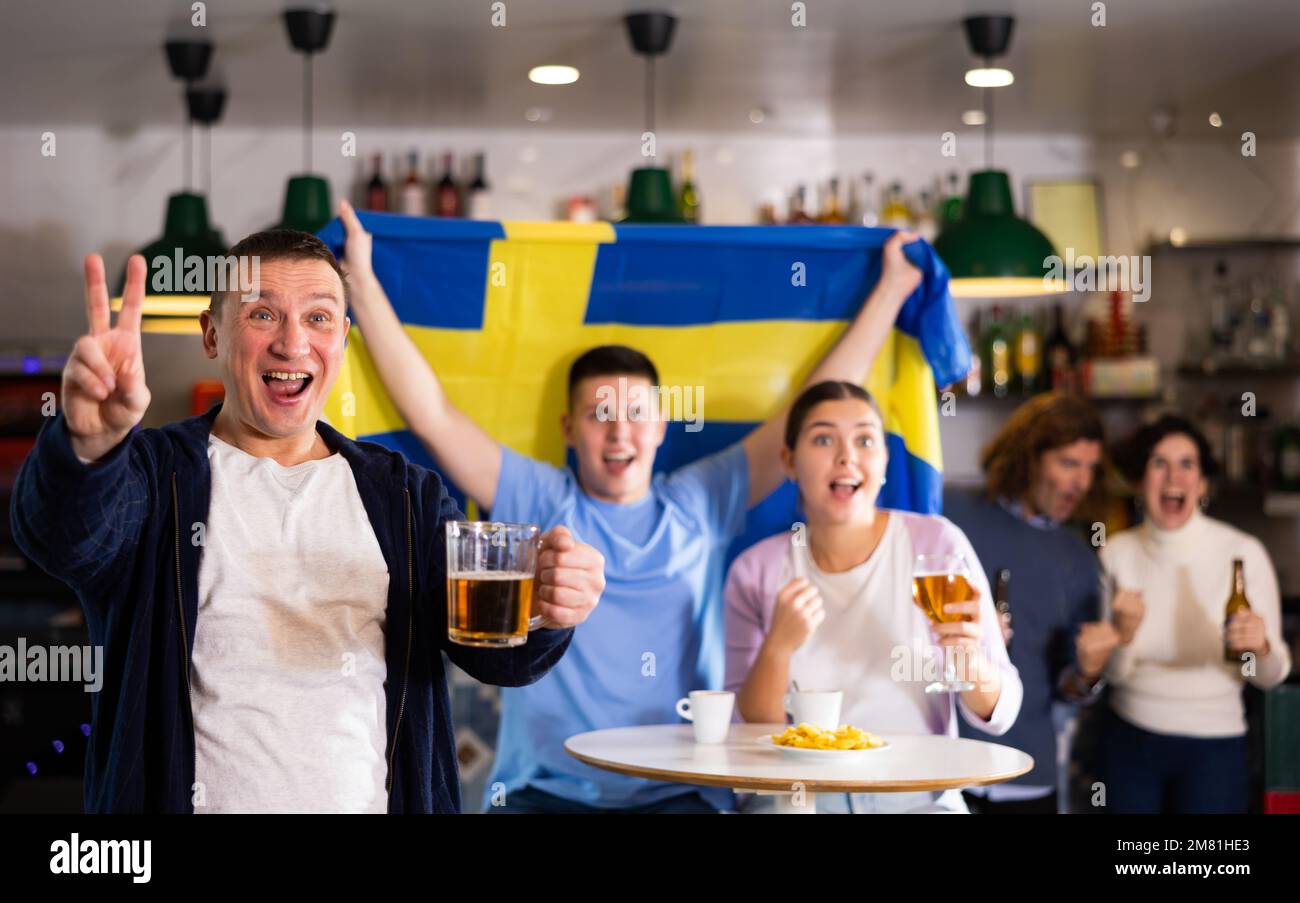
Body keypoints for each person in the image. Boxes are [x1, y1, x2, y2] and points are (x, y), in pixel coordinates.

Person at [338, 200, 926, 813]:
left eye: (636, 414)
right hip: (545, 789)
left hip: (681, 790)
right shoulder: (539, 500)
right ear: (569, 428)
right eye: (600, 416)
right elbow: (432, 413)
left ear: (662, 426)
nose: (619, 434)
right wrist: (362, 281)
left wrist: (890, 290)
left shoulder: (702, 500)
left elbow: (810, 412)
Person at [9, 229, 606, 813]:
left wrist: (545, 609)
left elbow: (495, 655)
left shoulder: (403, 494)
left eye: (318, 318)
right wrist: (89, 445)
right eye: (262, 315)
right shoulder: (149, 474)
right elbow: (64, 538)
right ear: (212, 333)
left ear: (343, 339)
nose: (293, 344)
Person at [725, 380, 1023, 814]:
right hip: (801, 797)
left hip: (920, 797)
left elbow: (1002, 710)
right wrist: (778, 645)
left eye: (866, 439)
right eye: (823, 438)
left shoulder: (937, 547)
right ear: (789, 461)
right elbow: (750, 731)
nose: (847, 457)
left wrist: (969, 658)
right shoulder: (756, 571)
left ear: (883, 460)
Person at [943, 392, 1134, 814]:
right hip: (941, 769)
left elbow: (1067, 687)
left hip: (1026, 775)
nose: (1081, 482)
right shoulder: (950, 513)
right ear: (1027, 459)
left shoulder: (1079, 561)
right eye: (1068, 463)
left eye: (1090, 468)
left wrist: (1088, 671)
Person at [1096, 414, 1291, 814]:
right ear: (1139, 481)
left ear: (1202, 484)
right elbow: (1111, 675)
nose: (1174, 477)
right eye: (1159, 463)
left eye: (1187, 464)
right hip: (1131, 742)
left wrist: (1263, 648)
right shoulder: (1115, 552)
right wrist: (1122, 637)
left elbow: (1272, 677)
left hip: (1216, 747)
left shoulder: (1243, 553)